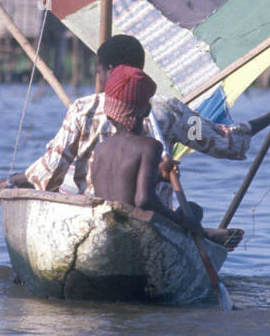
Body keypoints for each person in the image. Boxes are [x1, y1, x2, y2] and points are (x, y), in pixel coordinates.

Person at [0, 35, 270, 243]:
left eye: (100, 71)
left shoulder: (82, 110)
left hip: (80, 219)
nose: (98, 76)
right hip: (147, 222)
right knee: (192, 211)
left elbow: (48, 175)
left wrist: (14, 181)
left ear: (113, 71)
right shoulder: (169, 113)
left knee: (192, 211)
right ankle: (201, 233)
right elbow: (222, 141)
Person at [87, 65, 208, 240]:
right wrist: (182, 220)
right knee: (194, 211)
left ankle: (210, 235)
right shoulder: (149, 146)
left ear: (109, 114)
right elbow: (144, 200)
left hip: (103, 231)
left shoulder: (100, 148)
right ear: (147, 110)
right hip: (132, 234)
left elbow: (121, 183)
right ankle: (209, 235)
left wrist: (158, 175)